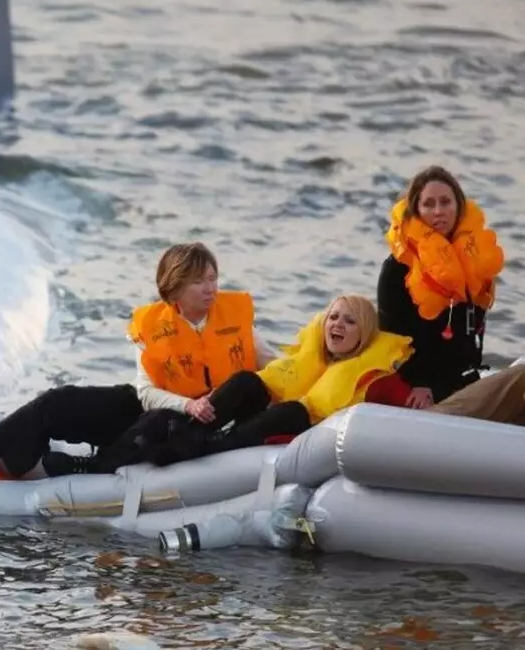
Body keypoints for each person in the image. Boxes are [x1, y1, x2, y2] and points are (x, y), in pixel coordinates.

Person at [0, 242, 277, 480]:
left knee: (157, 424)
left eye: (213, 279)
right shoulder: (152, 327)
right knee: (61, 400)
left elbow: (275, 366)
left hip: (189, 426)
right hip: (161, 405)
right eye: (199, 282)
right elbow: (146, 392)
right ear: (173, 288)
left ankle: (84, 466)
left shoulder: (237, 321)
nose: (211, 289)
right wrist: (188, 403)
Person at [135, 295, 413, 465]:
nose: (337, 325)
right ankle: (187, 432)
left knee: (293, 410)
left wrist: (426, 393)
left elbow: (414, 412)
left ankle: (210, 447)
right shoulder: (312, 358)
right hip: (263, 422)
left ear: (364, 334)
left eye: (350, 322)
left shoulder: (376, 378)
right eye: (333, 317)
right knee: (247, 381)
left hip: (307, 436)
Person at [377, 165, 505, 407]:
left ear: (459, 208)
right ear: (416, 210)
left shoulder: (472, 262)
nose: (438, 211)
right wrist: (421, 385)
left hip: (465, 383)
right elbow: (391, 338)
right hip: (423, 392)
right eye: (428, 204)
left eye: (445, 202)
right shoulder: (396, 268)